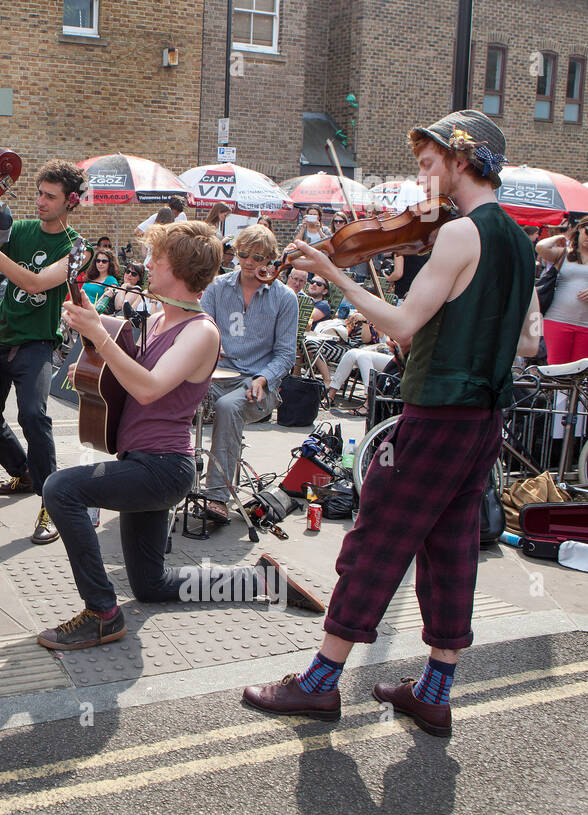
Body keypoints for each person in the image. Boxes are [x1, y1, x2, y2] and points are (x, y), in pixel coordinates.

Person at [243, 109, 539, 737]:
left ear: (464, 160)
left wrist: (330, 273)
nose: (422, 179)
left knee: (377, 539)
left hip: (436, 418)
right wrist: (458, 336)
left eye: (430, 164)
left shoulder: (461, 234)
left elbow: (401, 324)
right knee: (452, 546)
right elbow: (531, 343)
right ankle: (434, 691)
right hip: (484, 420)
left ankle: (321, 683)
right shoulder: (519, 239)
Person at [37, 221, 324, 650]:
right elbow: (121, 375)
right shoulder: (155, 320)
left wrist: (97, 332)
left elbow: (149, 388)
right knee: (151, 585)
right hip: (139, 461)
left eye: (158, 259)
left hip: (163, 469)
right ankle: (256, 579)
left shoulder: (201, 332)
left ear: (182, 269)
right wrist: (94, 329)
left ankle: (102, 613)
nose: (148, 264)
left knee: (60, 488)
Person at [0, 159, 85, 544]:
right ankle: (23, 471)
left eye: (50, 196)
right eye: (39, 193)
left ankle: (53, 505)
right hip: (0, 338)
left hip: (37, 344)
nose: (40, 202)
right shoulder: (20, 229)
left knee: (33, 415)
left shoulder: (79, 248)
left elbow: (34, 283)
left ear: (71, 201)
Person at [198, 223, 299, 525]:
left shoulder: (285, 298)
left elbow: (285, 355)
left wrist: (264, 378)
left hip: (259, 382)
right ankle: (163, 479)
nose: (250, 263)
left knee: (229, 408)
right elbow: (200, 330)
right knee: (170, 391)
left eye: (258, 257)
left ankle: (216, 497)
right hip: (217, 374)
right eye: (244, 255)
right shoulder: (217, 288)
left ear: (270, 259)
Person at [534, 218, 588, 365]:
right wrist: (560, 237)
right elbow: (540, 247)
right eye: (587, 231)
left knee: (580, 372)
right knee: (556, 367)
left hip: (586, 325)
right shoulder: (565, 253)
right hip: (558, 319)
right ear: (580, 230)